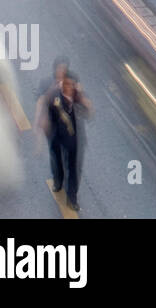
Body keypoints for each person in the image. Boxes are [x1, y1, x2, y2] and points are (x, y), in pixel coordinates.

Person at [42, 72, 92, 212]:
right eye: (66, 84)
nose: (68, 87)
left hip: (73, 141)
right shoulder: (54, 97)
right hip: (57, 138)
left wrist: (82, 100)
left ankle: (72, 199)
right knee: (57, 164)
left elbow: (88, 114)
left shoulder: (78, 98)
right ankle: (58, 182)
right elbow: (49, 116)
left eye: (71, 85)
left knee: (74, 170)